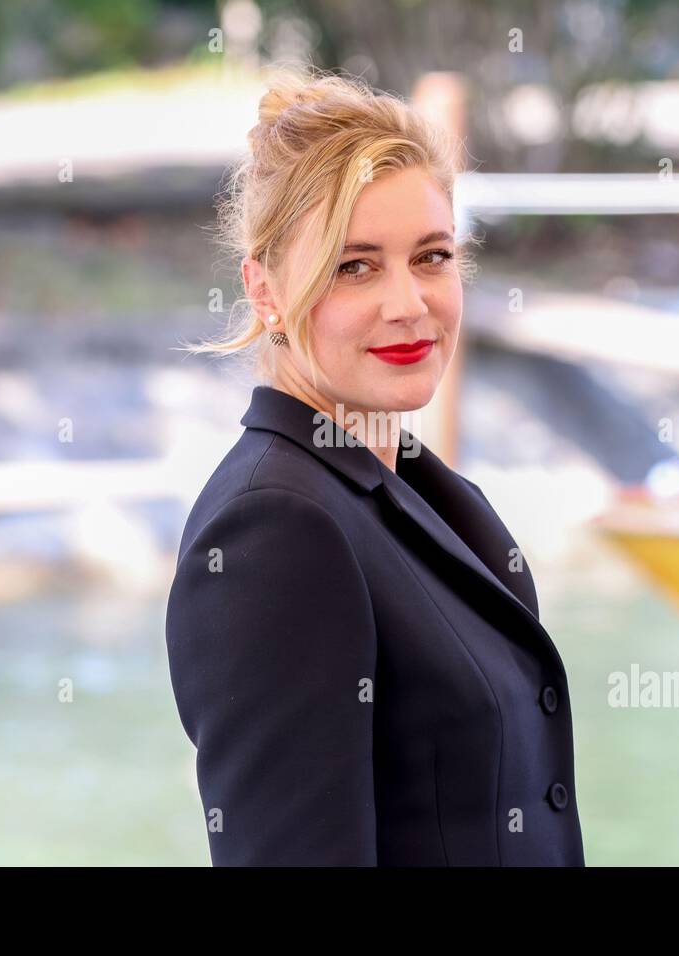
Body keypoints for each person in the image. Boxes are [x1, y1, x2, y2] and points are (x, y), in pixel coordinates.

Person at [165, 68, 586, 866]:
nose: (408, 304)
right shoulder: (275, 531)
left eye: (431, 257)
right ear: (265, 289)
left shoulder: (423, 491)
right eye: (355, 266)